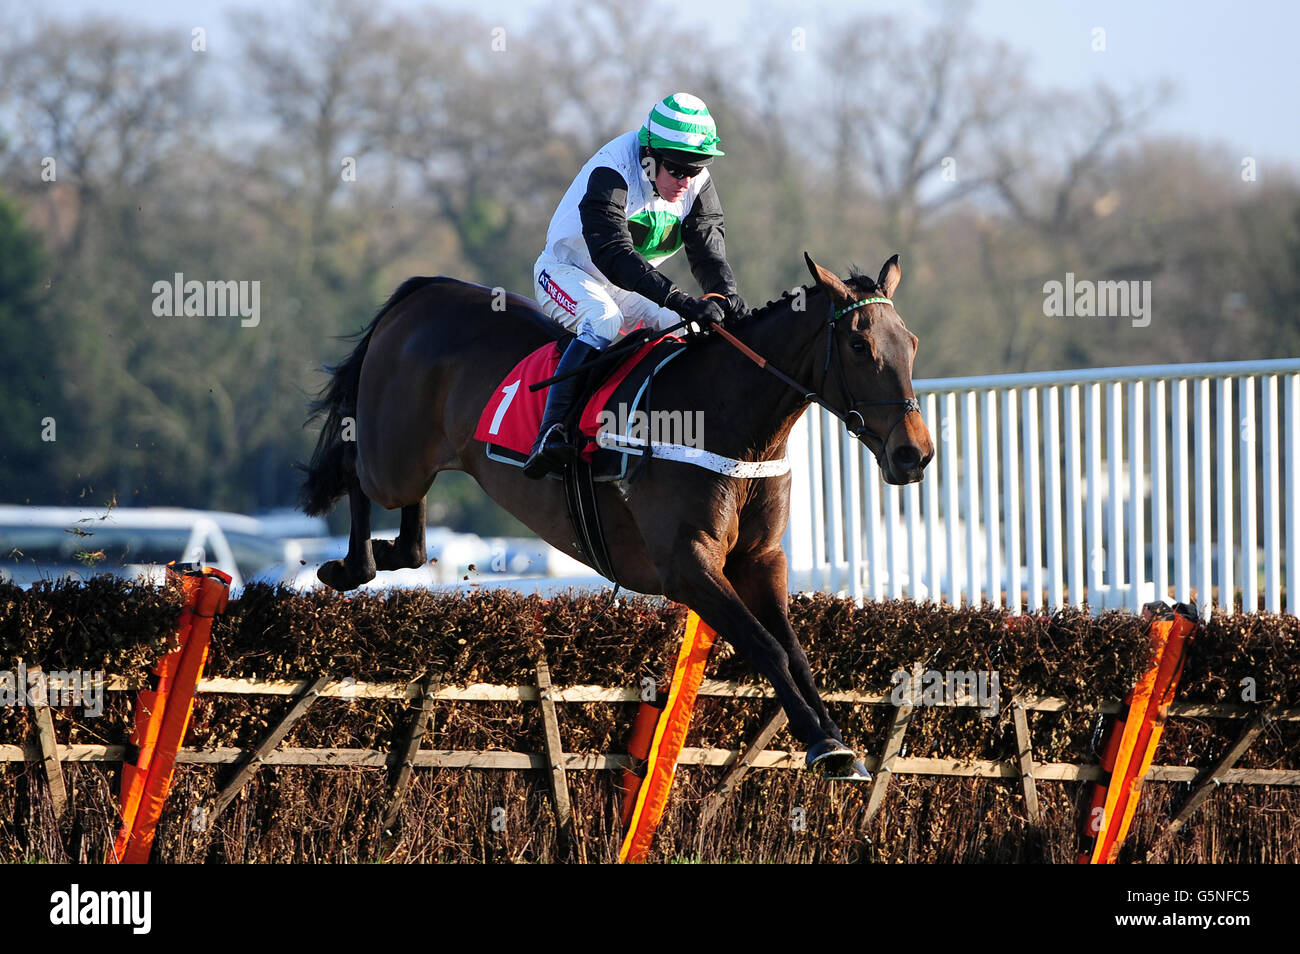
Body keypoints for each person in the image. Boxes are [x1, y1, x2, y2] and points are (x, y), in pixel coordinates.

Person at [522, 92, 748, 479]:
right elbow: (613, 254)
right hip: (566, 272)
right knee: (604, 320)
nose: (686, 181)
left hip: (627, 286)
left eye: (695, 170)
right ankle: (551, 432)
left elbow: (708, 250)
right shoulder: (613, 170)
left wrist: (724, 296)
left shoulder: (694, 182)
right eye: (677, 169)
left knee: (690, 328)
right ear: (649, 154)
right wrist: (679, 298)